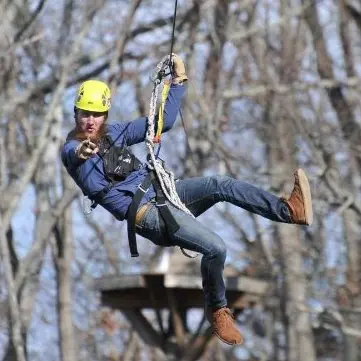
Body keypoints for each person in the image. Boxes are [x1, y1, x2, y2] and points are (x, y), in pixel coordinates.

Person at [61, 54, 313, 346]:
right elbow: (72, 153)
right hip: (149, 216)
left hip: (166, 193)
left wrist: (178, 82)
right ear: (76, 114)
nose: (90, 121)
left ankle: (289, 210)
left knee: (219, 184)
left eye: (96, 114)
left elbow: (162, 122)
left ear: (105, 115)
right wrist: (82, 152)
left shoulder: (115, 134)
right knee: (216, 247)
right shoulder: (72, 149)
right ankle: (217, 309)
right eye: (84, 114)